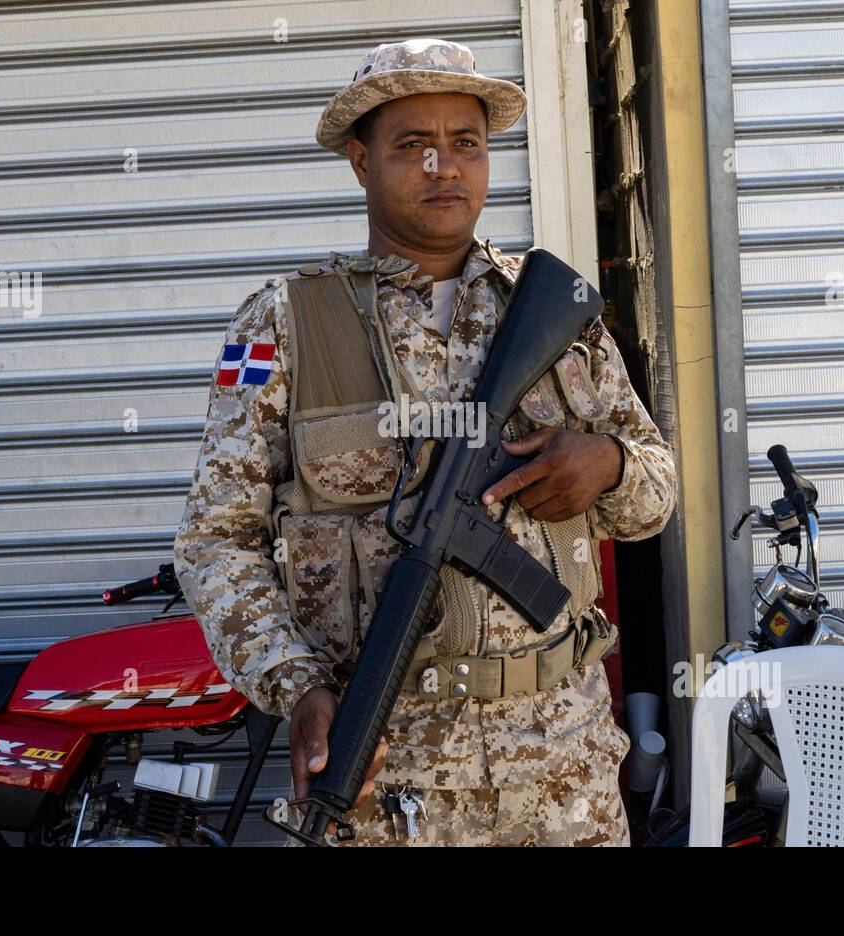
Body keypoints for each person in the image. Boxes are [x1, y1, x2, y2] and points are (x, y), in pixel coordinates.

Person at [173, 37, 677, 846]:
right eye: (412, 145)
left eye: (465, 143)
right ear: (359, 162)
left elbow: (655, 493)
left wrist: (608, 464)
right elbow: (215, 541)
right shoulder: (278, 325)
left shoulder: (561, 316)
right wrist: (296, 685)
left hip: (565, 769)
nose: (444, 165)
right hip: (386, 776)